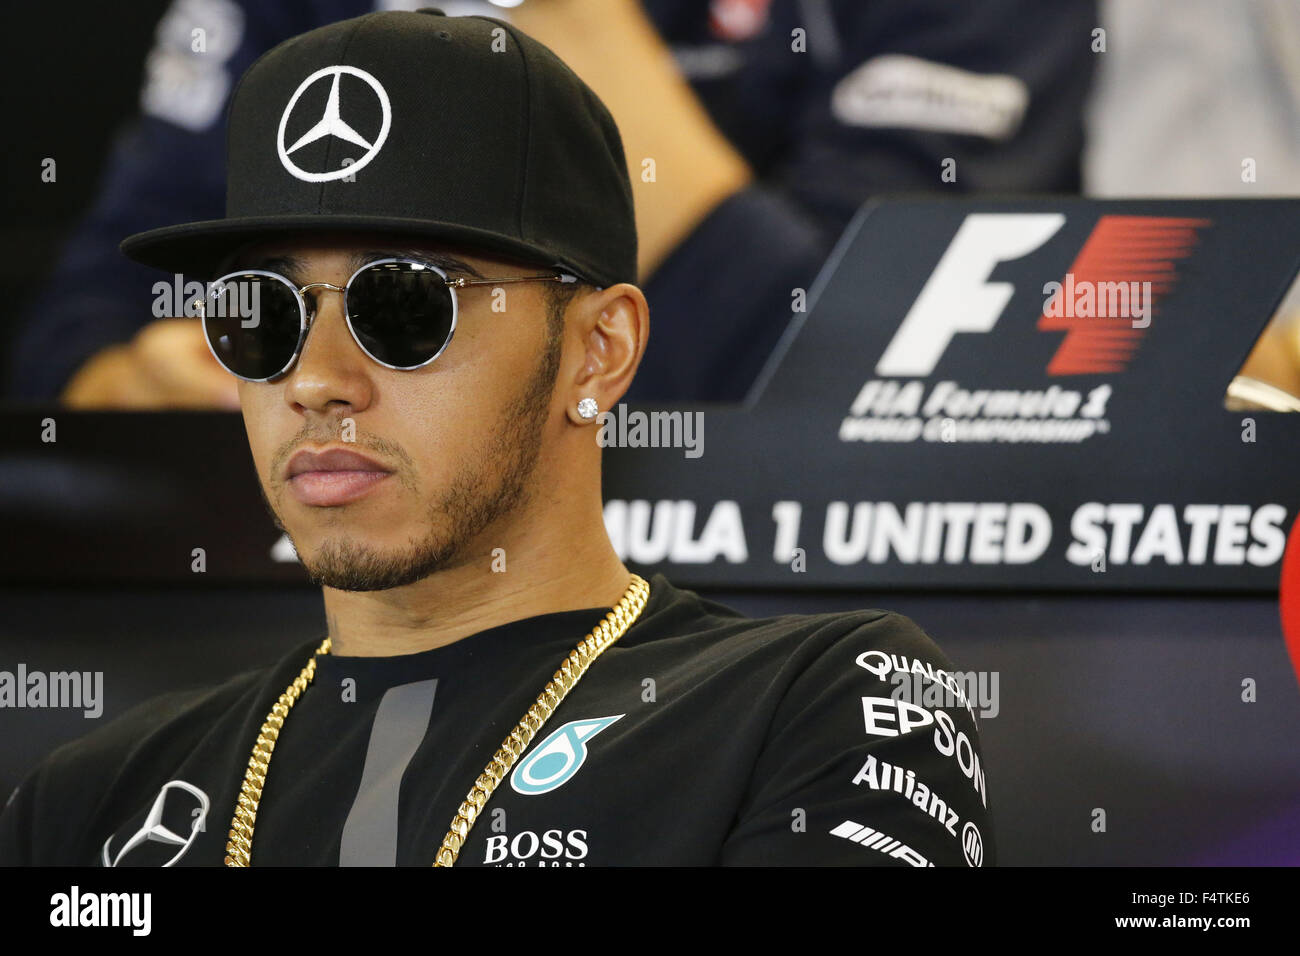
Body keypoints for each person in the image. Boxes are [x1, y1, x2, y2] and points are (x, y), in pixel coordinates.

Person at [0, 8, 993, 867]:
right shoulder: (92, 797)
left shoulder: (815, 704)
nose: (314, 379)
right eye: (266, 312)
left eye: (402, 304)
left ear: (599, 350)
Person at [5, 0, 1096, 407]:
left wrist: (539, 21)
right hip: (316, 593)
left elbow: (877, 378)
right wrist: (137, 381)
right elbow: (76, 327)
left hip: (771, 593)